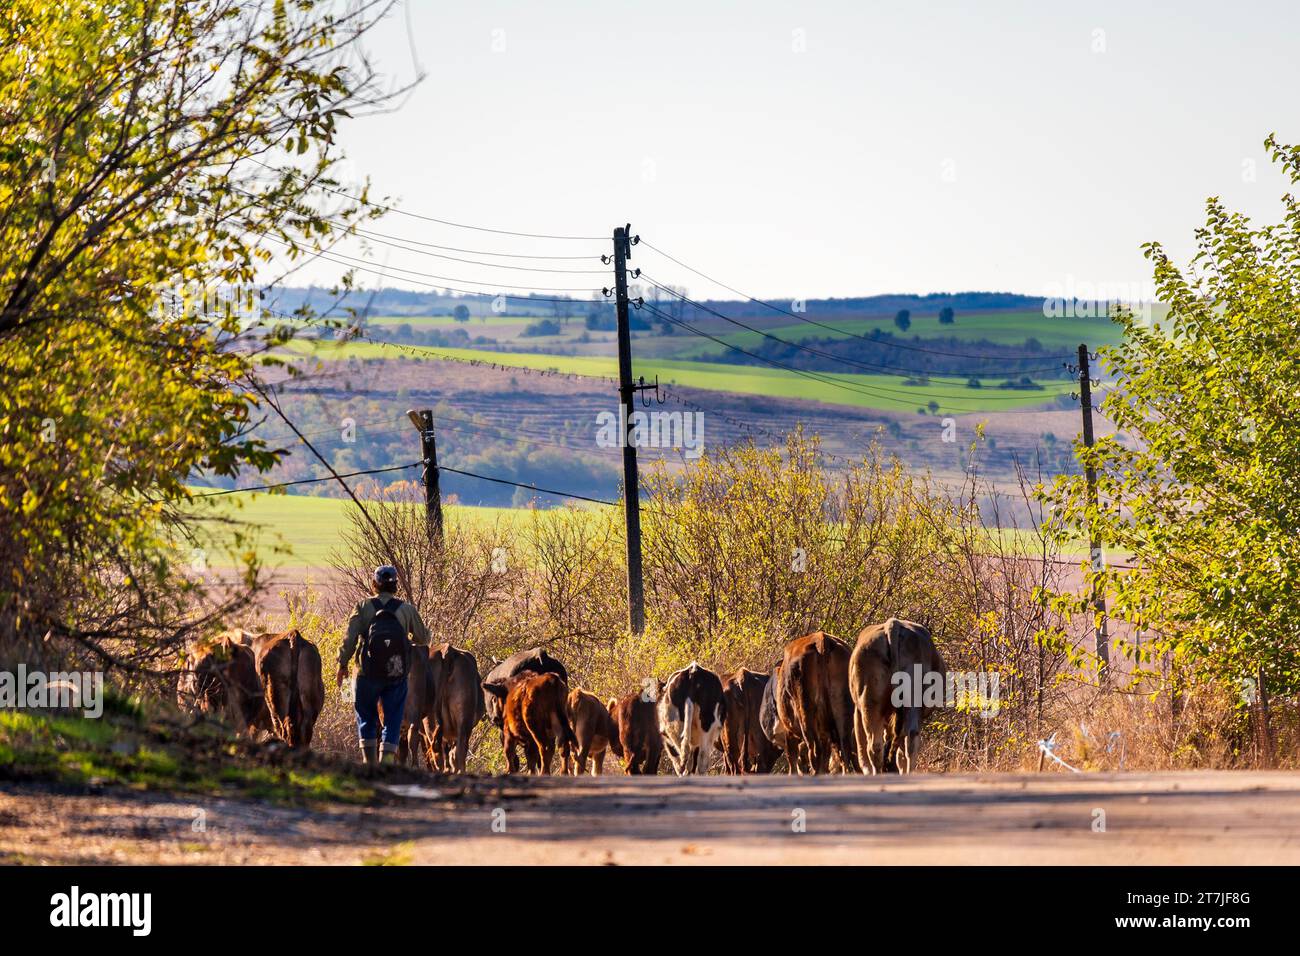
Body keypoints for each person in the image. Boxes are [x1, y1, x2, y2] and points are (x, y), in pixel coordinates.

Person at [336, 565, 430, 768]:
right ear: (396, 586)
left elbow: (349, 640)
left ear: (374, 585)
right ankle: (386, 765)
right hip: (396, 674)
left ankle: (369, 765)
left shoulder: (362, 607)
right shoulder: (406, 609)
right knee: (393, 719)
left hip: (365, 673)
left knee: (366, 717)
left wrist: (342, 664)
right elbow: (423, 638)